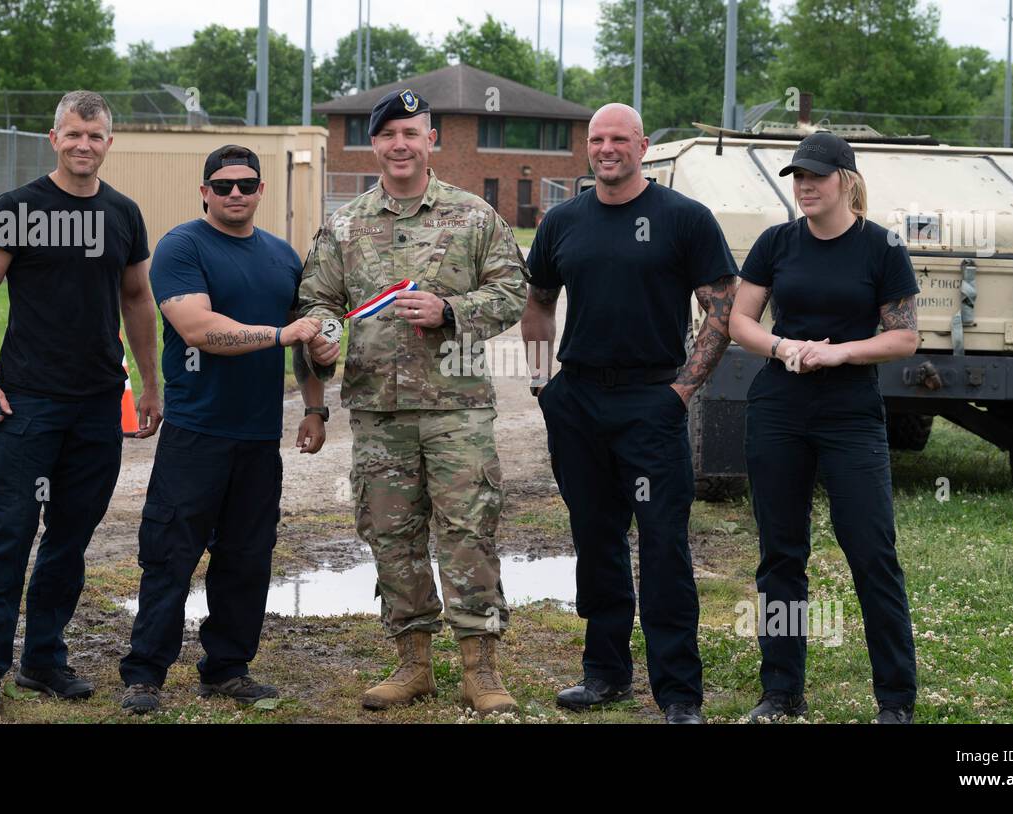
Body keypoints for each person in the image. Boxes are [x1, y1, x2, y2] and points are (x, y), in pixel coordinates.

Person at [300, 89, 528, 715]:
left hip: (457, 409)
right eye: (388, 134)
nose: (400, 144)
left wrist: (451, 309)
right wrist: (322, 335)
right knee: (390, 535)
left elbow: (513, 292)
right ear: (375, 145)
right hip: (378, 411)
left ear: (432, 140)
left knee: (467, 532)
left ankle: (481, 668)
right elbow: (317, 299)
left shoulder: (474, 216)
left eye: (412, 132)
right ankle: (413, 664)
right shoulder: (345, 225)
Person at [521, 103, 738, 724]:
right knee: (595, 539)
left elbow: (719, 309)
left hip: (652, 401)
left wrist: (683, 390)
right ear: (587, 148)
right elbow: (538, 303)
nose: (607, 147)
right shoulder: (563, 221)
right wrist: (542, 383)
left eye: (619, 138)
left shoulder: (684, 220)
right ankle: (605, 674)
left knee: (664, 546)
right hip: (578, 400)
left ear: (642, 145)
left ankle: (678, 694)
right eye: (597, 138)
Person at [0, 90, 161, 715]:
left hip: (98, 403)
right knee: (9, 534)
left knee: (70, 538)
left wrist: (151, 384)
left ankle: (43, 660)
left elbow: (137, 301)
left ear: (108, 142)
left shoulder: (123, 214)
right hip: (27, 404)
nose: (83, 145)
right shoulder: (16, 208)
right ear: (54, 139)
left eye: (95, 135)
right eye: (73, 134)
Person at [117, 145, 337, 714]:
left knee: (247, 557)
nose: (234, 193)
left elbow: (307, 342)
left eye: (245, 184)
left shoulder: (283, 257)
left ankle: (228, 670)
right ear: (204, 191)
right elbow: (198, 328)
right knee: (170, 553)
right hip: (197, 433)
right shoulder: (182, 246)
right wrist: (281, 335)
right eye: (222, 185)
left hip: (259, 437)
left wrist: (316, 406)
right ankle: (145, 675)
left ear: (261, 190)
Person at [727, 131, 919, 724]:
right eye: (797, 177)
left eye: (816, 176)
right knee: (781, 556)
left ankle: (895, 699)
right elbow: (739, 319)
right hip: (780, 408)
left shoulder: (882, 247)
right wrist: (783, 345)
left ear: (846, 179)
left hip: (850, 413)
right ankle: (781, 691)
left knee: (871, 551)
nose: (804, 186)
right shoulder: (776, 242)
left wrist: (841, 354)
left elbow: (905, 337)